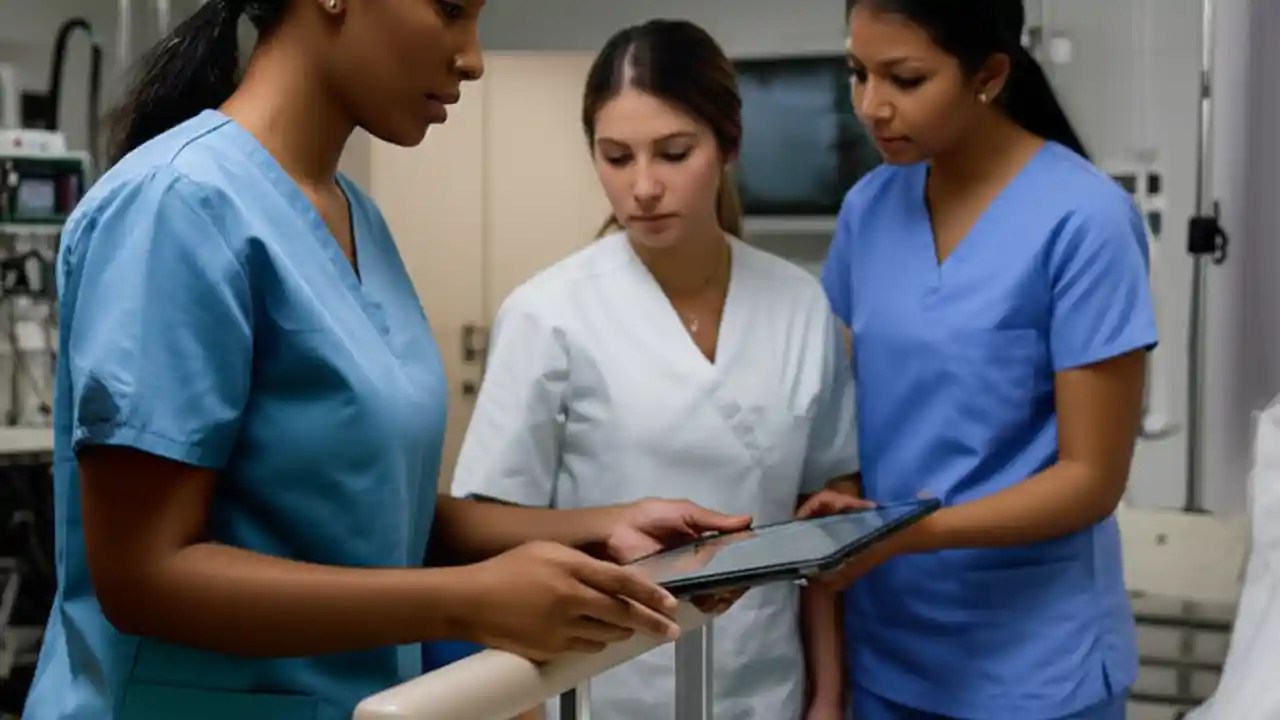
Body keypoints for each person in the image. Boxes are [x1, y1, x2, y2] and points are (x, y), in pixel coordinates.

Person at [21, 3, 763, 719]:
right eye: (448, 11)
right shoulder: (176, 206)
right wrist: (469, 599)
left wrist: (600, 531)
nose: (472, 58)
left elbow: (369, 508)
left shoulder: (353, 215)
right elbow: (143, 578)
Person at [449, 19, 866, 720]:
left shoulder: (798, 303)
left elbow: (822, 518)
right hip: (603, 684)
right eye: (616, 157)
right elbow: (484, 527)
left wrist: (828, 693)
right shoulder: (549, 313)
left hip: (766, 685)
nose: (643, 186)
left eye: (674, 153)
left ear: (728, 145)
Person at [810, 1, 1158, 718]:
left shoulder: (1083, 220)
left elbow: (1090, 480)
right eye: (857, 74)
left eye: (904, 79)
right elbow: (850, 409)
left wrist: (906, 534)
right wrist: (838, 506)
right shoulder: (869, 210)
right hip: (889, 649)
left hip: (1034, 665)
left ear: (989, 75)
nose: (872, 107)